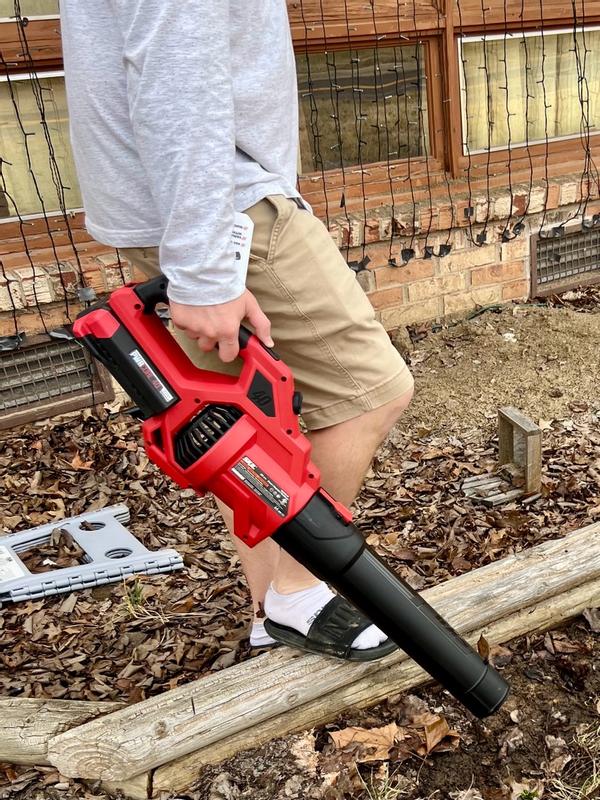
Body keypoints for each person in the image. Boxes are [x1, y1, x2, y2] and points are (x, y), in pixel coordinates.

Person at [60, 0, 414, 661]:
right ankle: (299, 594)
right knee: (373, 390)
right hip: (225, 206)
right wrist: (203, 273)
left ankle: (270, 613)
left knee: (241, 434)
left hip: (177, 203)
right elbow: (176, 68)